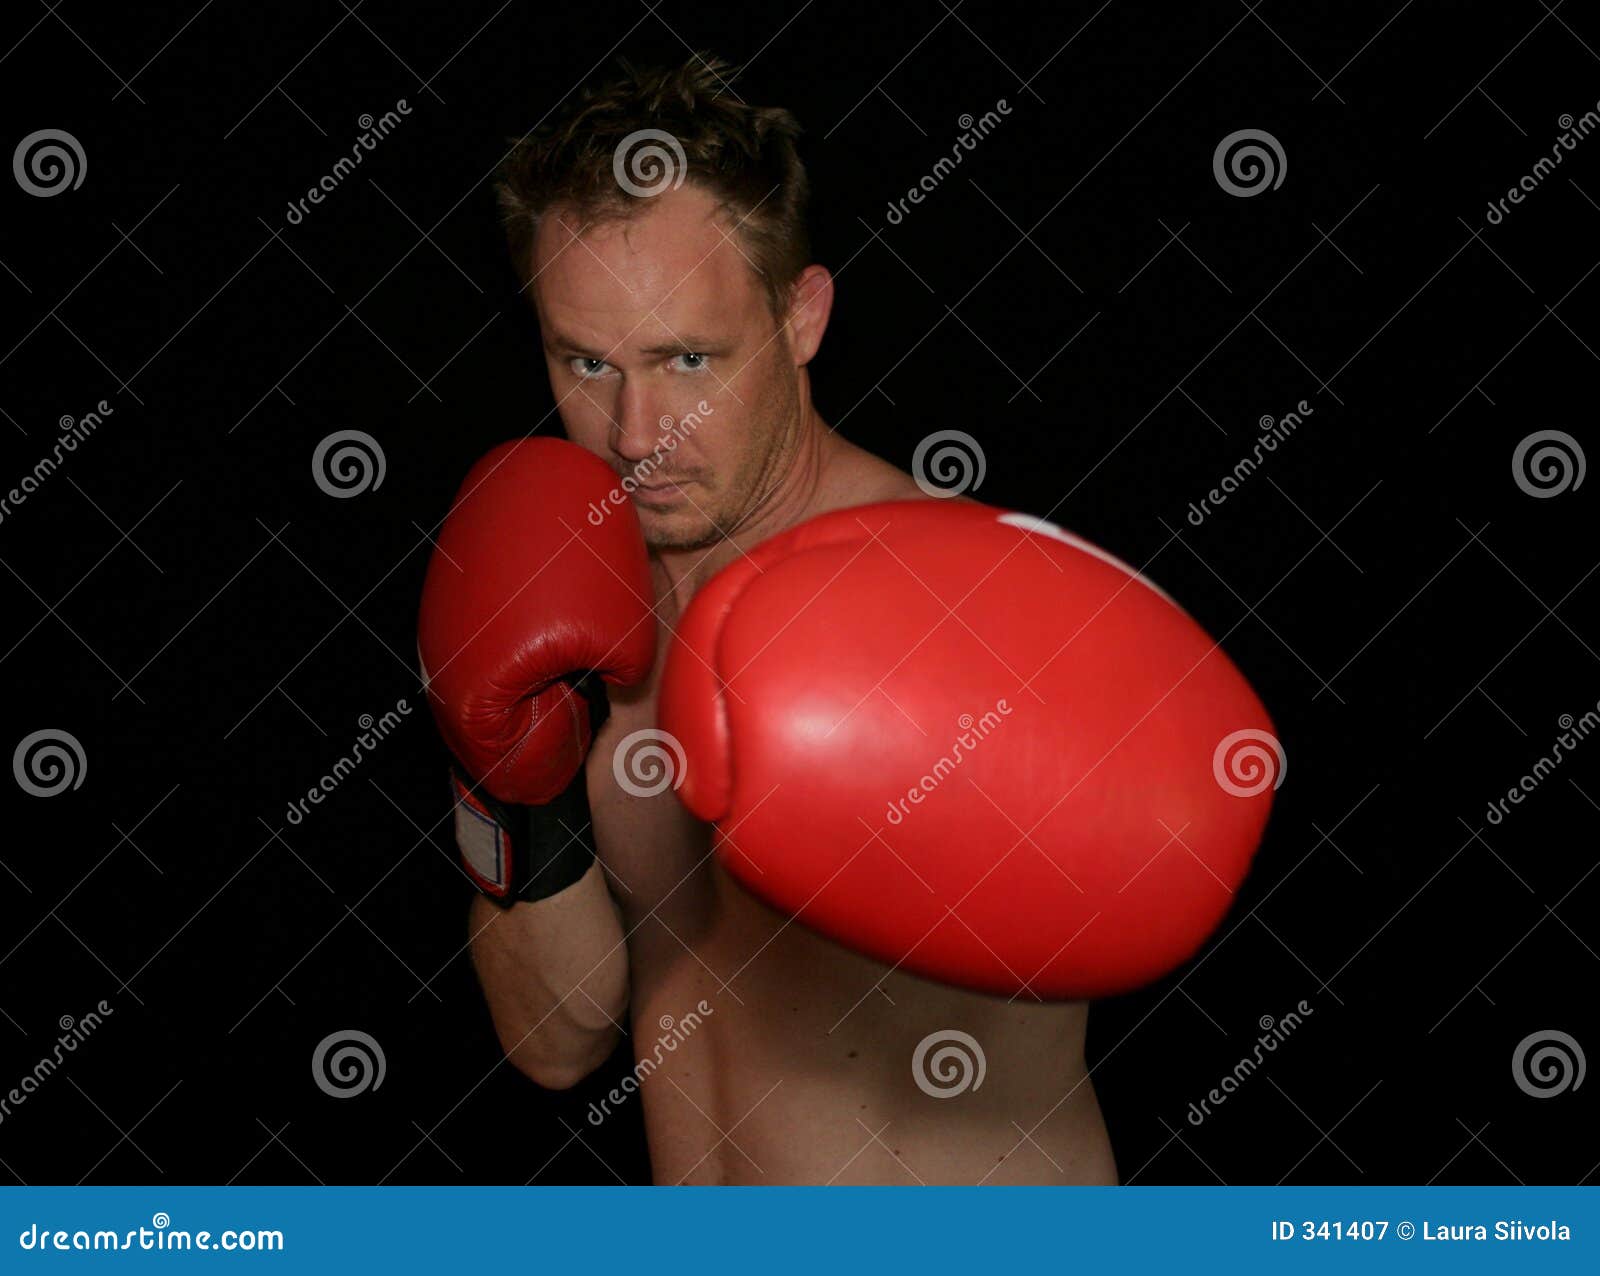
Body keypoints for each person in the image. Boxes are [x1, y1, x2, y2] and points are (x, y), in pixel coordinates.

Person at [418, 55, 1269, 1185]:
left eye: (688, 359)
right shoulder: (565, 610)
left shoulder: (956, 595)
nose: (635, 433)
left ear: (803, 314)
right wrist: (512, 791)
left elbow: (1187, 810)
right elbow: (556, 1042)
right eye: (585, 361)